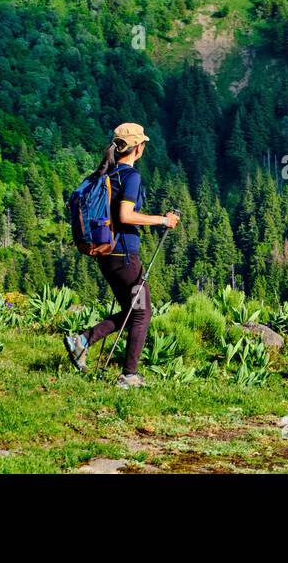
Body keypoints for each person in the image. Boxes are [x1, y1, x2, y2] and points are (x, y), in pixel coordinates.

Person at [64, 122, 179, 388]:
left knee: (132, 310)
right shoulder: (130, 177)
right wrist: (163, 220)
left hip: (105, 253)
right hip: (124, 254)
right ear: (138, 148)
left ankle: (81, 342)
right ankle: (129, 375)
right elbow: (125, 216)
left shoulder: (106, 174)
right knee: (142, 313)